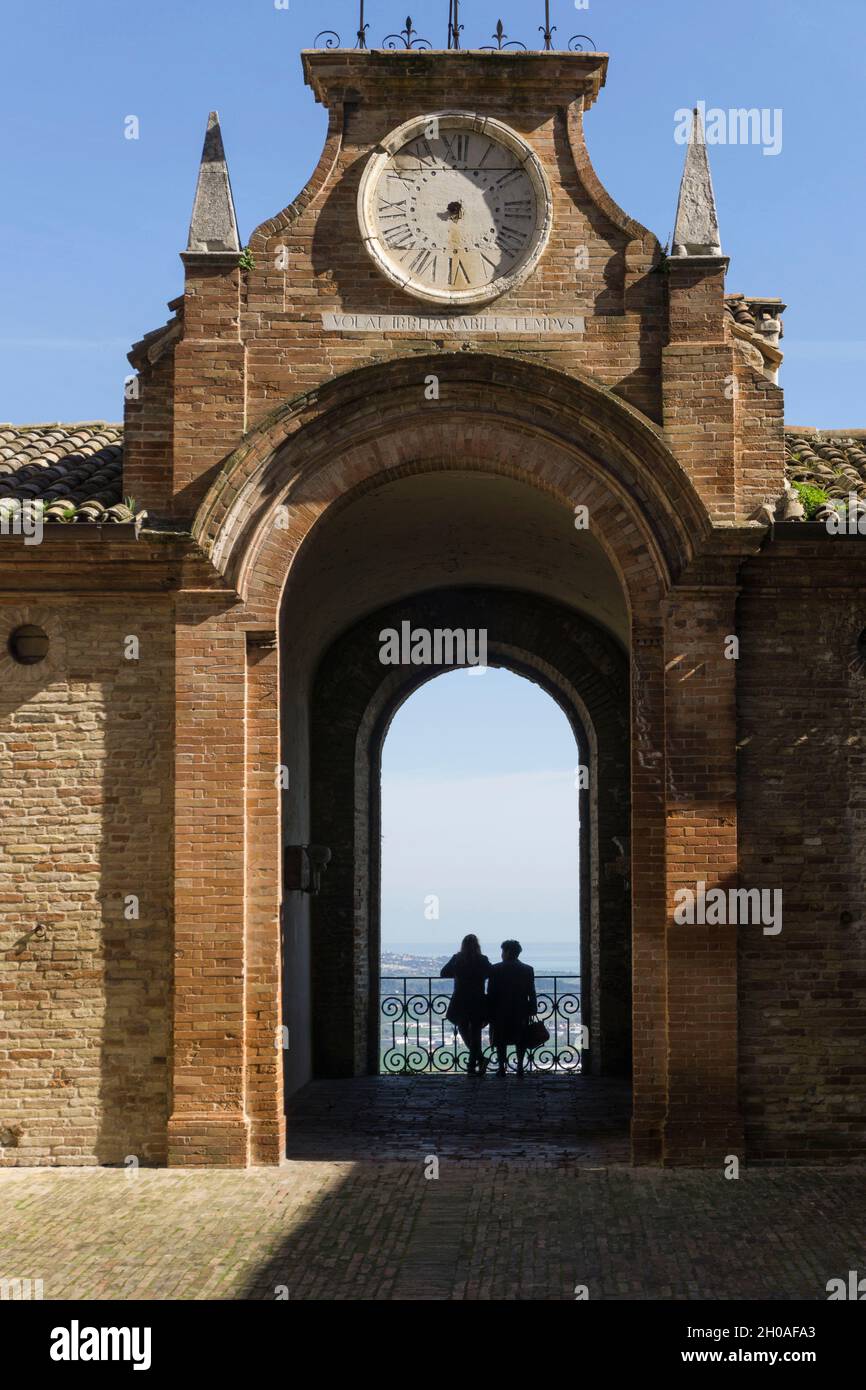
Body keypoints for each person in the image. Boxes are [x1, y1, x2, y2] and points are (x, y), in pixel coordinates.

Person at [440, 935, 492, 1075]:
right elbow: (491, 973)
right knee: (475, 1031)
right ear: (477, 945)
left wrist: (457, 975)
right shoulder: (482, 960)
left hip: (460, 1000)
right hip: (477, 1000)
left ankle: (474, 1063)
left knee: (462, 1028)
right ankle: (477, 1061)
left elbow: (443, 973)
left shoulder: (457, 958)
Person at [487, 940, 537, 1077]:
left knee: (500, 1039)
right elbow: (531, 992)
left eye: (502, 951)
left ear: (507, 952)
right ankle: (520, 1067)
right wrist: (533, 1008)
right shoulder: (528, 969)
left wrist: (488, 1010)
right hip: (520, 1010)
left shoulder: (495, 969)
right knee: (520, 1039)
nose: (501, 954)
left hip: (500, 1010)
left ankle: (502, 1068)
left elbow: (491, 992)